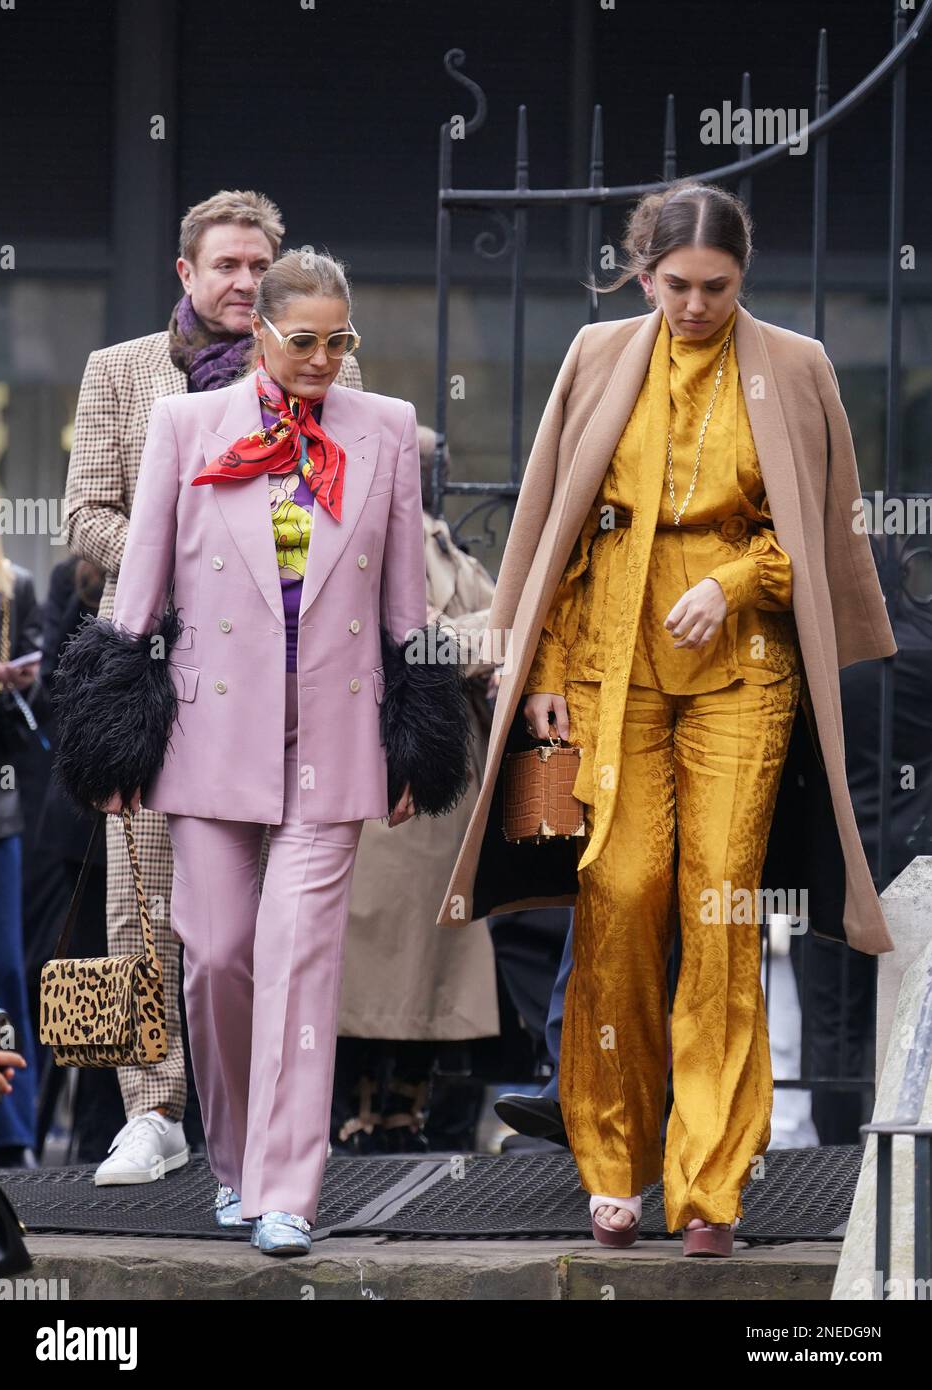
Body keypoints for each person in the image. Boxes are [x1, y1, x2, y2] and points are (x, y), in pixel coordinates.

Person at [436, 181, 897, 1257]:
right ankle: (612, 1157)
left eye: (718, 287)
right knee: (621, 890)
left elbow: (822, 540)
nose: (696, 305)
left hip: (740, 668)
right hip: (609, 661)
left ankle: (709, 1179)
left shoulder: (796, 364)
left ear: (745, 279)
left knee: (724, 909)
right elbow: (557, 523)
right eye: (677, 285)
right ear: (643, 274)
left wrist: (734, 581)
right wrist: (541, 663)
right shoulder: (598, 355)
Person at [52, 249, 469, 1255]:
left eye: (340, 340)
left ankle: (290, 1185)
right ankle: (235, 1161)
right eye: (305, 339)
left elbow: (405, 611)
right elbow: (139, 595)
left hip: (333, 739)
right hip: (209, 738)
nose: (324, 357)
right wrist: (114, 745)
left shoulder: (386, 431)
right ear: (261, 338)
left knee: (299, 957)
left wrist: (414, 744)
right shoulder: (187, 426)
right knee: (221, 959)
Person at [64, 189, 363, 1188]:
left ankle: (270, 1128)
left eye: (257, 265)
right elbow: (88, 518)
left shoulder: (332, 367)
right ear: (186, 274)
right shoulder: (121, 371)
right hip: (159, 672)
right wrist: (188, 569)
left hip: (284, 684)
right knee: (136, 897)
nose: (242, 281)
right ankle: (150, 1110)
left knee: (271, 921)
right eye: (224, 265)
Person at [333, 423, 500, 1152]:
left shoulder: (449, 553)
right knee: (364, 951)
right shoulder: (360, 540)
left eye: (435, 466)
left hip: (438, 784)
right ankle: (357, 1107)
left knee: (430, 954)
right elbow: (390, 637)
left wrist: (457, 640)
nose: (429, 478)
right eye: (421, 466)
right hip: (379, 771)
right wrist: (465, 642)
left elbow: (502, 631)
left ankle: (404, 1104)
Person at [0, 451, 47, 1167]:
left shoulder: (11, 588)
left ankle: (7, 1129)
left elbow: (31, 711)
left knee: (2, 967)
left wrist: (13, 685)